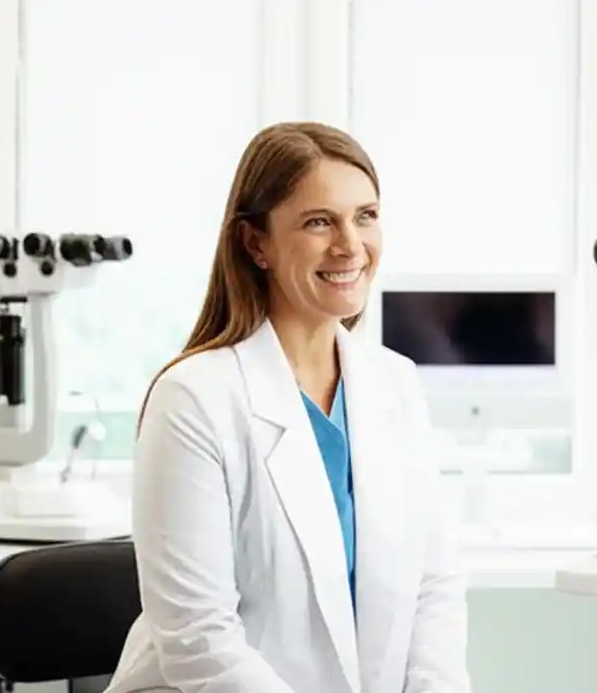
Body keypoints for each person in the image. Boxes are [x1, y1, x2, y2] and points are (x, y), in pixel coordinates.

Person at [104, 122, 471, 693]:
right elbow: (200, 641)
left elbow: (434, 589)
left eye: (365, 216)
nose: (350, 245)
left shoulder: (395, 384)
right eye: (319, 222)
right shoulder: (194, 399)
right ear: (257, 244)